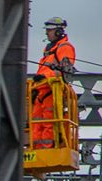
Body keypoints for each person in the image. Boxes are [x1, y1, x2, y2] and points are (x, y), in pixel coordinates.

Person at [31, 17, 76, 149]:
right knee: (36, 122)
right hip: (41, 91)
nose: (47, 33)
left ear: (58, 31)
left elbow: (64, 71)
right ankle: (36, 149)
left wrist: (45, 77)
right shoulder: (49, 51)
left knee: (49, 121)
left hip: (53, 90)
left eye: (50, 30)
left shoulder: (65, 47)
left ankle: (47, 148)